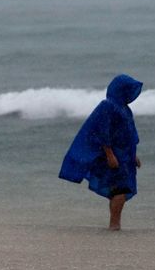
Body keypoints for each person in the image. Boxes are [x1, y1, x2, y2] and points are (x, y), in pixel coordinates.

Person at [59, 74, 143, 230]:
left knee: (118, 190)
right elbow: (102, 131)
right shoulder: (108, 106)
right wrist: (110, 155)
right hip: (113, 155)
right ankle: (114, 225)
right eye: (128, 89)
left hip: (124, 156)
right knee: (121, 190)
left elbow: (127, 134)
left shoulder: (124, 108)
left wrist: (133, 156)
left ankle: (114, 224)